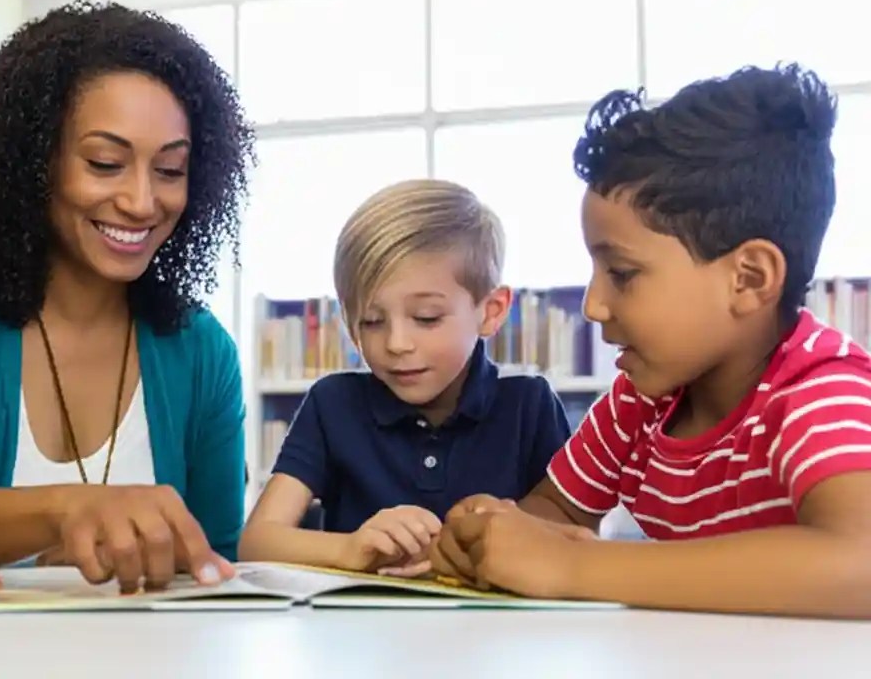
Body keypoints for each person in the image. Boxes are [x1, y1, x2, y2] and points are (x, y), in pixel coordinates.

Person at [431, 64, 871, 618]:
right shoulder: (639, 399)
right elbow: (558, 512)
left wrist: (574, 568)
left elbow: (862, 562)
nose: (592, 305)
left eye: (622, 273)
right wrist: (496, 539)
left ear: (749, 279)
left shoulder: (822, 392)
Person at [0, 1, 254, 594]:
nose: (143, 201)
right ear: (32, 161)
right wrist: (67, 513)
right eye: (105, 163)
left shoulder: (201, 351)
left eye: (170, 170)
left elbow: (219, 553)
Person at [238, 179, 573, 576]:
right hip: (359, 632)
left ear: (491, 310)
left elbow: (571, 545)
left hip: (493, 635)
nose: (396, 343)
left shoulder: (528, 406)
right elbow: (256, 541)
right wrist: (350, 548)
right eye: (372, 321)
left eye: (426, 318)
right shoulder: (333, 404)